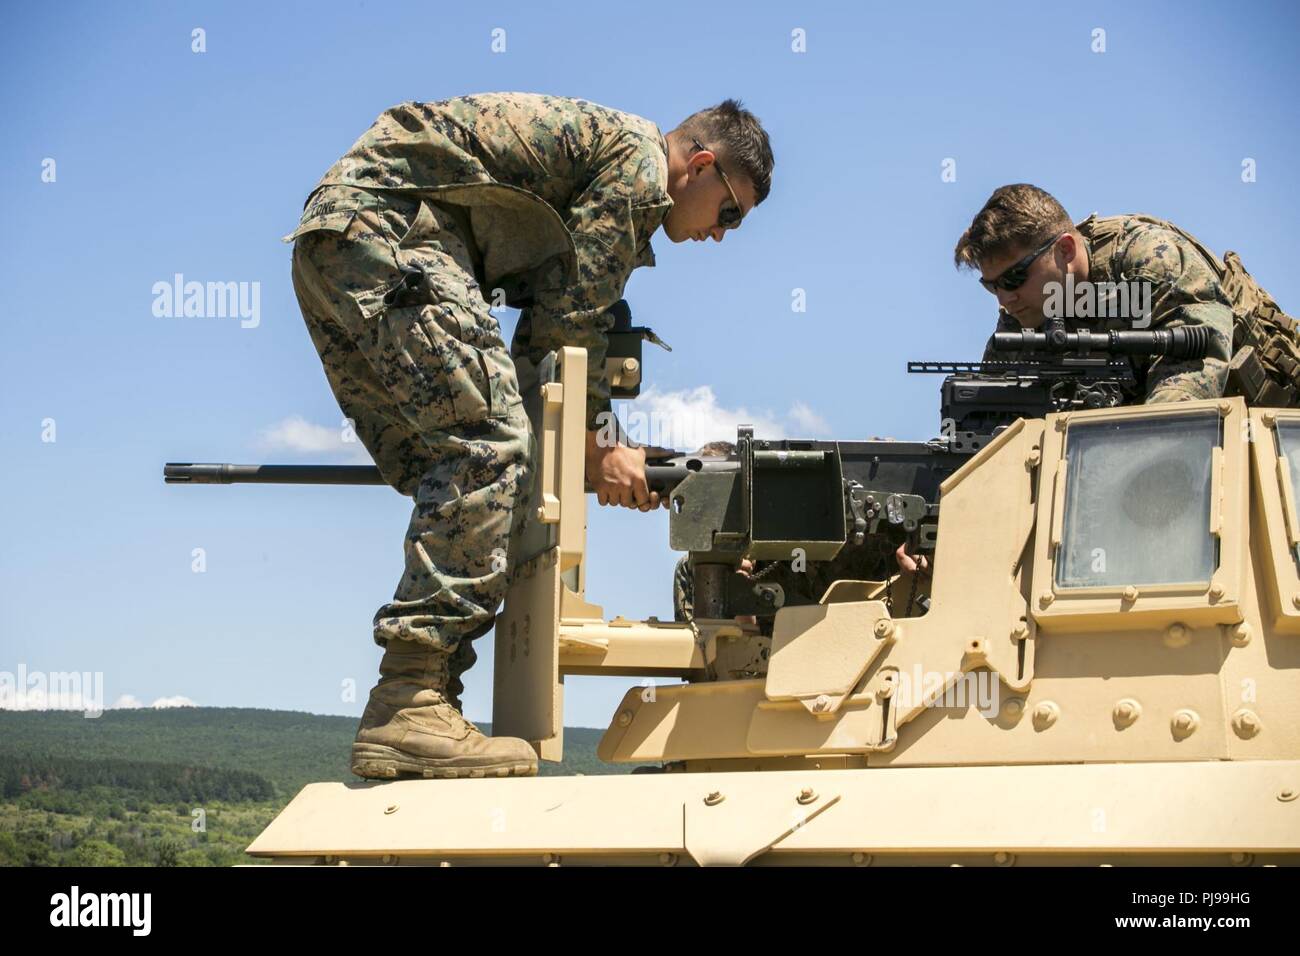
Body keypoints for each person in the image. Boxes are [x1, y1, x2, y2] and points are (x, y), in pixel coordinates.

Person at [287, 92, 774, 779]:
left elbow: (544, 357)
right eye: (729, 213)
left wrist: (601, 448)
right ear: (699, 166)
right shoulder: (638, 172)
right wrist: (603, 450)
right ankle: (410, 700)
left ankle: (424, 695)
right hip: (392, 234)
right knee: (488, 446)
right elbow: (567, 326)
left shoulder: (614, 161)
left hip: (340, 239)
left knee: (450, 461)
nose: (721, 235)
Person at [953, 183, 1234, 404]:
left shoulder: (1151, 260)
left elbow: (1192, 377)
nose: (1004, 299)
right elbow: (995, 408)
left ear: (1065, 250)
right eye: (993, 286)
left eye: (1014, 278)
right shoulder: (1021, 321)